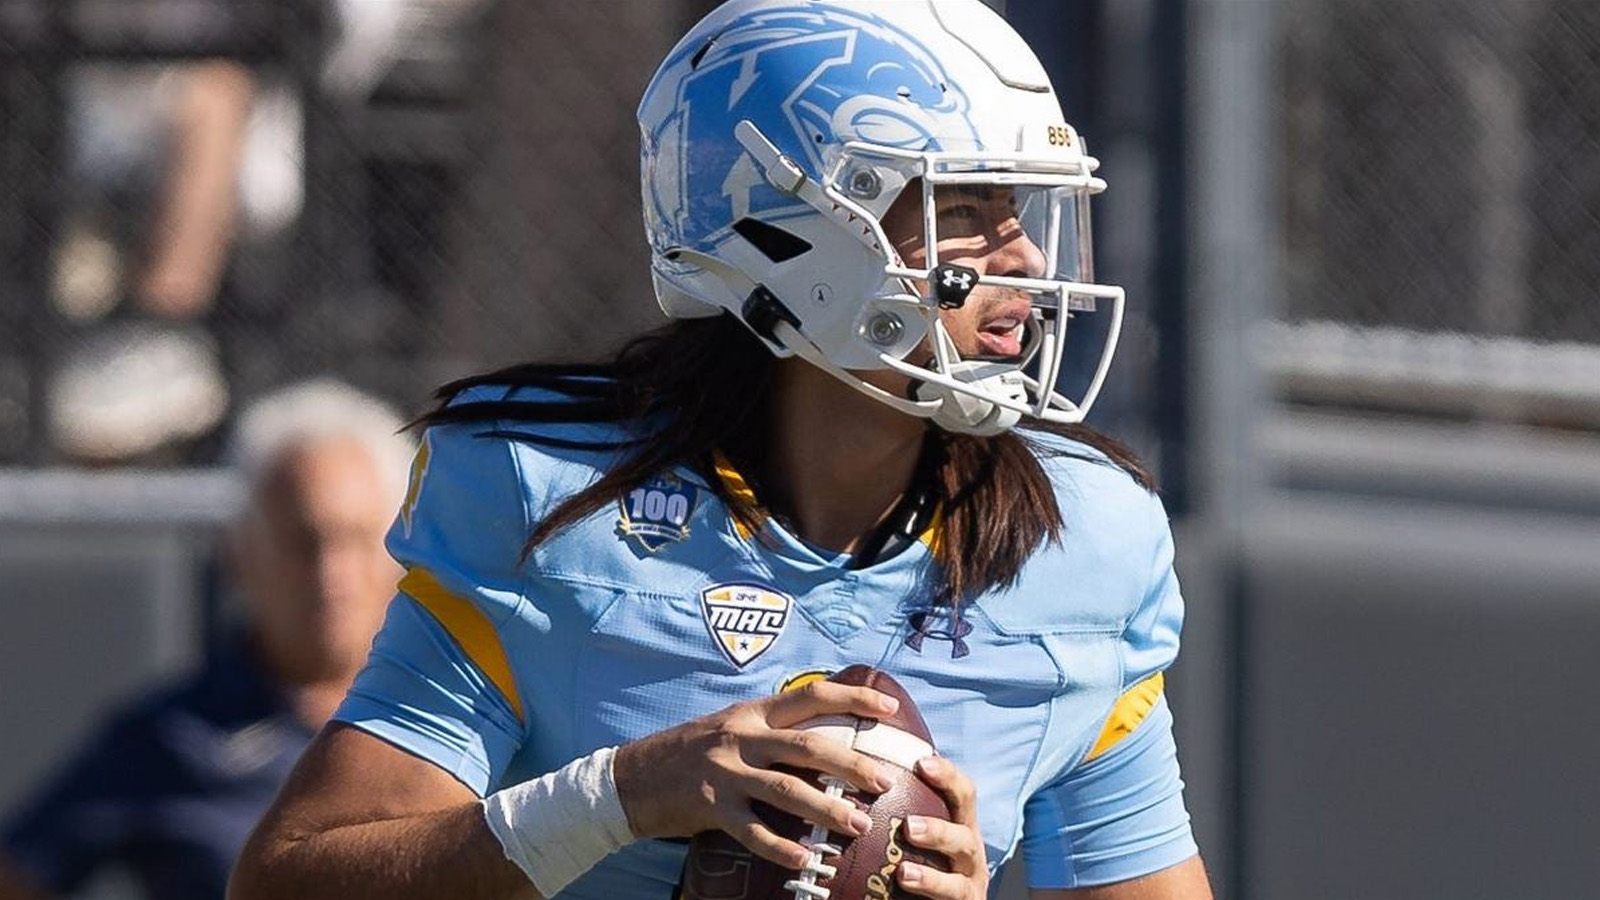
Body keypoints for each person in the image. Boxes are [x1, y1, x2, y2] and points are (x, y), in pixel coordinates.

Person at [231, 3, 1212, 899]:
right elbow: (289, 881)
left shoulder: (1079, 542)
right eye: (963, 212)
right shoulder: (555, 497)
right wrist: (618, 798)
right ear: (793, 235)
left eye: (1019, 212)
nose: (1026, 261)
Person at [0, 381, 414, 900]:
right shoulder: (173, 736)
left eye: (357, 540)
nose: (331, 576)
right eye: (301, 542)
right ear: (239, 553)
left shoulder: (472, 723)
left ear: (404, 555)